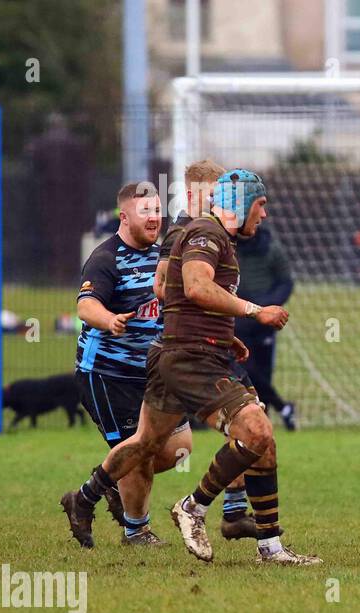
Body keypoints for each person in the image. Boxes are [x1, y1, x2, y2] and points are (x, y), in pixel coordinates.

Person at [60, 169, 320, 565]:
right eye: (261, 205)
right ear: (241, 203)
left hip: (175, 353)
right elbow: (194, 286)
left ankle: (85, 496)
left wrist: (223, 332)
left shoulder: (212, 238)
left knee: (154, 446)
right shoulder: (205, 234)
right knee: (256, 429)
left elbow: (174, 293)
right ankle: (189, 510)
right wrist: (254, 311)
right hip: (176, 361)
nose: (265, 215)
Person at [68, 182, 182, 546]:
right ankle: (137, 531)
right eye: (145, 212)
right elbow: (86, 305)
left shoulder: (164, 253)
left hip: (152, 372)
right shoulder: (106, 258)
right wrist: (109, 320)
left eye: (157, 210)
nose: (154, 218)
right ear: (124, 217)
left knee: (178, 448)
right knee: (140, 449)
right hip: (107, 373)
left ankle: (104, 482)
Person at [159, 158, 257, 540]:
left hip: (209, 346)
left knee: (250, 417)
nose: (223, 199)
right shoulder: (185, 232)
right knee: (150, 444)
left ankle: (233, 512)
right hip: (179, 350)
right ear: (191, 193)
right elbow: (161, 286)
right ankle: (95, 493)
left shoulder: (217, 233)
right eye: (215, 192)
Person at [234, 225, 297, 430]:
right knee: (245, 370)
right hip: (239, 318)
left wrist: (268, 306)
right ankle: (281, 408)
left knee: (263, 371)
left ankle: (266, 422)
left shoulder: (270, 248)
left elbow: (285, 283)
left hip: (264, 323)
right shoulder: (228, 246)